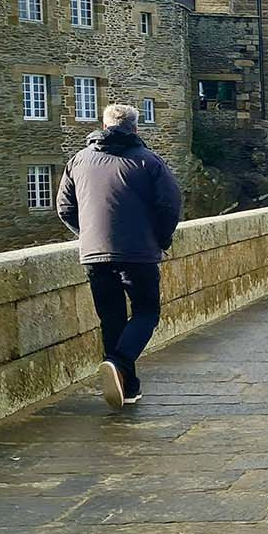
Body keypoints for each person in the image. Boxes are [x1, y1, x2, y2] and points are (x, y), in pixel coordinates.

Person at [57, 103, 182, 410]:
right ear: (135, 129)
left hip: (94, 255)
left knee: (111, 319)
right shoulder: (148, 161)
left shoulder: (78, 160)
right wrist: (161, 239)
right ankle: (118, 360)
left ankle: (128, 388)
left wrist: (87, 235)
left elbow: (64, 207)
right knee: (146, 313)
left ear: (104, 124)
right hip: (139, 253)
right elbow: (170, 205)